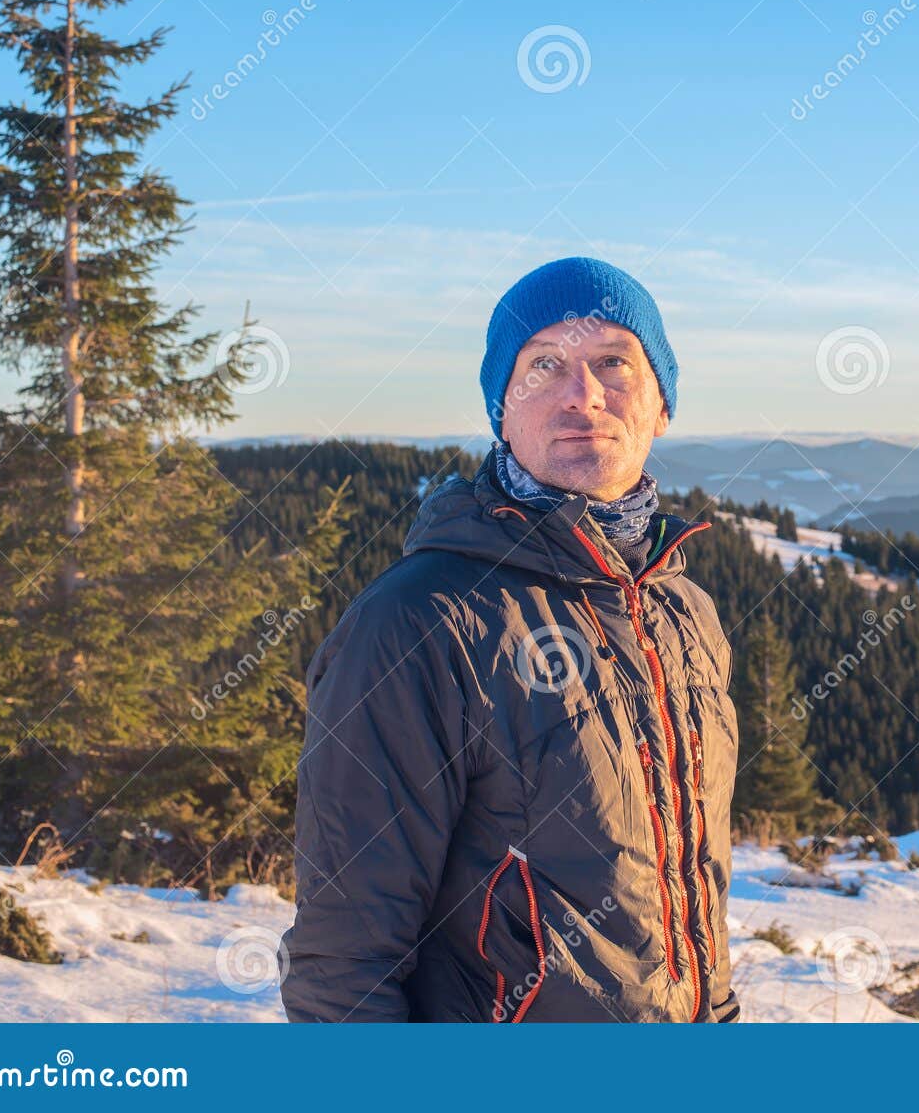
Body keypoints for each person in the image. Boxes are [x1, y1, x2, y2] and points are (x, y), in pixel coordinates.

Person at [280, 256, 741, 1022]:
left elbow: (695, 896)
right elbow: (343, 953)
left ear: (662, 405)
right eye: (545, 365)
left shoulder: (683, 612)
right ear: (502, 408)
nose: (581, 395)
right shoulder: (419, 620)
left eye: (613, 364)